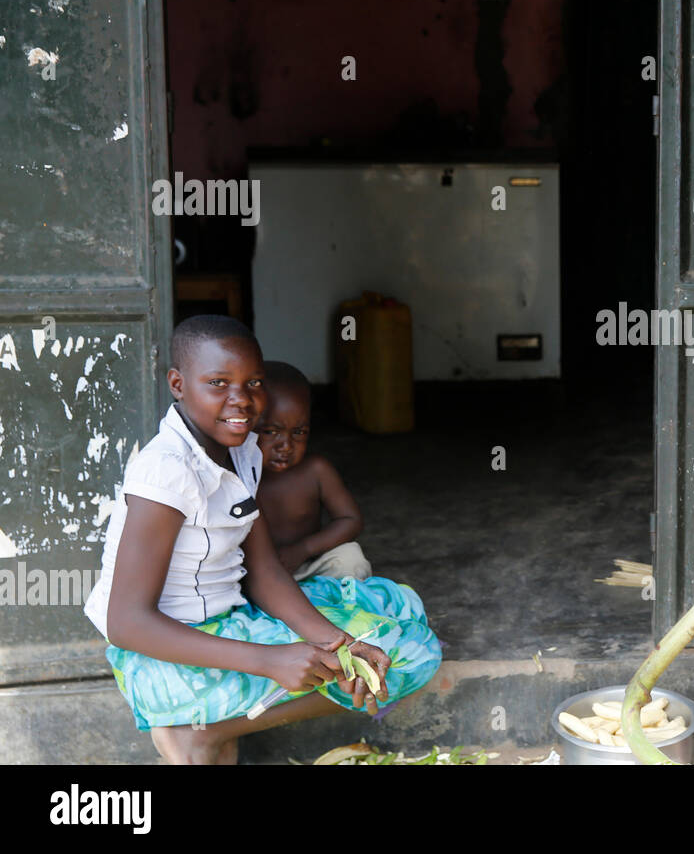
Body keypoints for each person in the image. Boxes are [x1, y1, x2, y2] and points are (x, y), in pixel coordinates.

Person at [82, 315, 441, 764]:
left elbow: (265, 571)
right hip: (168, 659)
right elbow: (127, 623)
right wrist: (269, 661)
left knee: (393, 611)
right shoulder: (168, 471)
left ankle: (210, 726)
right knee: (413, 651)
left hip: (229, 620)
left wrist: (341, 646)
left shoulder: (243, 451)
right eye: (218, 383)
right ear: (177, 383)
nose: (242, 400)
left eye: (253, 383)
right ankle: (203, 733)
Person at [254, 360, 372, 581]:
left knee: (350, 558)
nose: (286, 446)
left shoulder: (316, 470)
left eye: (298, 432)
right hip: (257, 574)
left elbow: (350, 519)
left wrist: (303, 550)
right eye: (271, 431)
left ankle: (329, 604)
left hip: (308, 568)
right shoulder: (235, 476)